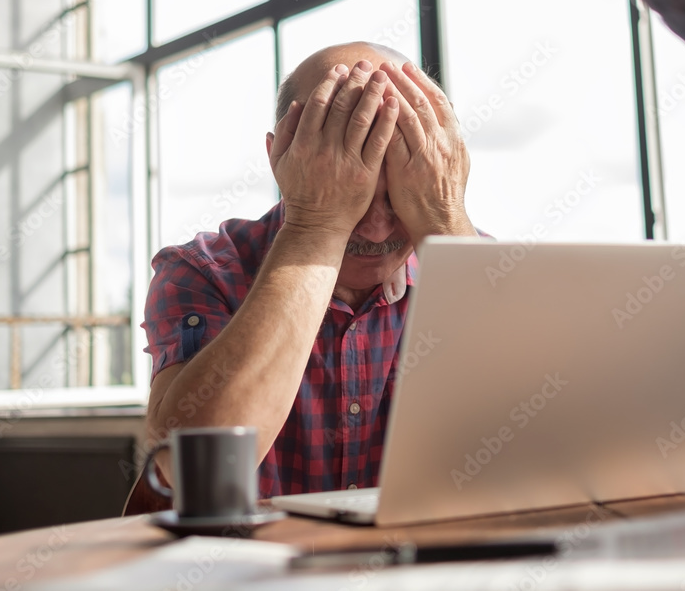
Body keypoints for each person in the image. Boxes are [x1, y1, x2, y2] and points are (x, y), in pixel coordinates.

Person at [141, 41, 477, 496]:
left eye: (400, 197)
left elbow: (545, 450)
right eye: (353, 195)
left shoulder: (475, 266)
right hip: (245, 566)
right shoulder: (203, 271)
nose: (378, 230)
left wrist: (443, 221)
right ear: (283, 160)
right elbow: (192, 469)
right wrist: (317, 224)